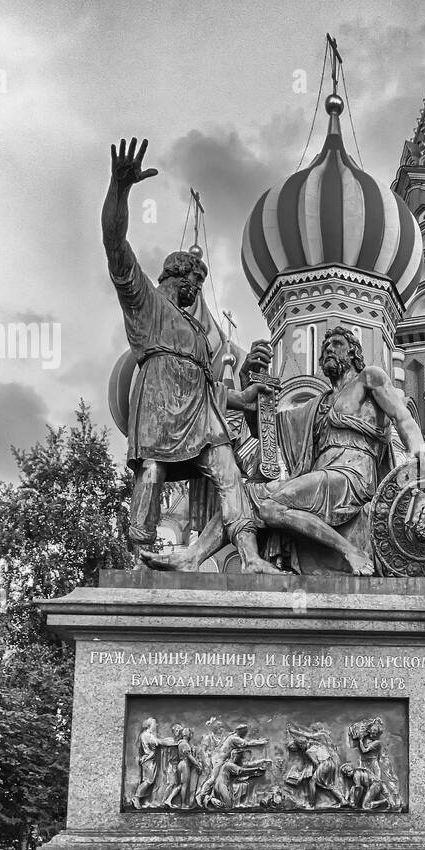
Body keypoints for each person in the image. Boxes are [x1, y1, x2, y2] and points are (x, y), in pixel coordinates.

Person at [101, 137, 278, 570]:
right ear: (174, 276)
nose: (196, 289)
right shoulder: (146, 302)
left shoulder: (198, 330)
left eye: (199, 284)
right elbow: (115, 245)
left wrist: (247, 395)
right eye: (192, 281)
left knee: (229, 472)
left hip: (200, 412)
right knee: (152, 472)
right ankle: (141, 554)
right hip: (160, 398)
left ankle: (250, 556)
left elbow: (215, 389)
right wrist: (120, 190)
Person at [148, 325, 425, 576]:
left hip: (352, 476)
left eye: (337, 344)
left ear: (354, 352)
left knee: (267, 502)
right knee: (244, 494)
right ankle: (193, 556)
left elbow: (402, 417)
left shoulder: (369, 378)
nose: (329, 349)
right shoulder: (319, 403)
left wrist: (420, 452)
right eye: (325, 346)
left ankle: (351, 551)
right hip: (324, 474)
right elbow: (265, 430)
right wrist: (250, 381)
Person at [130, 717, 179, 810]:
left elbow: (160, 740)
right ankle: (136, 797)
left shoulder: (150, 735)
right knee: (148, 781)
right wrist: (175, 742)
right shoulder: (146, 735)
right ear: (150, 725)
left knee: (150, 780)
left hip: (151, 760)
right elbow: (160, 742)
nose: (156, 725)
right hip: (149, 760)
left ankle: (139, 798)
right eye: (155, 724)